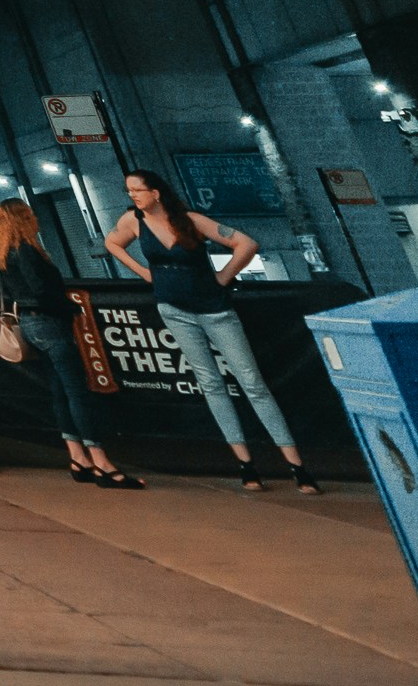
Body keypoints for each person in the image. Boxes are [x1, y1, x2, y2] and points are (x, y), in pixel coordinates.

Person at [108, 168, 312, 492]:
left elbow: (246, 243)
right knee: (211, 383)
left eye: (137, 190)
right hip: (174, 310)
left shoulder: (191, 220)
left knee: (252, 383)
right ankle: (245, 464)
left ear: (155, 193)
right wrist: (145, 273)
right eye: (129, 190)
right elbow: (112, 243)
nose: (132, 195)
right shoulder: (133, 220)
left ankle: (296, 465)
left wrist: (224, 277)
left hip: (215, 310)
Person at [0, 198, 136, 487]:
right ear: (25, 218)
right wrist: (69, 307)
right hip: (49, 323)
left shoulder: (3, 254)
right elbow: (40, 290)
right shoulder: (27, 251)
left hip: (31, 325)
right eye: (31, 214)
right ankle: (101, 462)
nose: (36, 218)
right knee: (76, 392)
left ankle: (77, 457)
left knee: (59, 391)